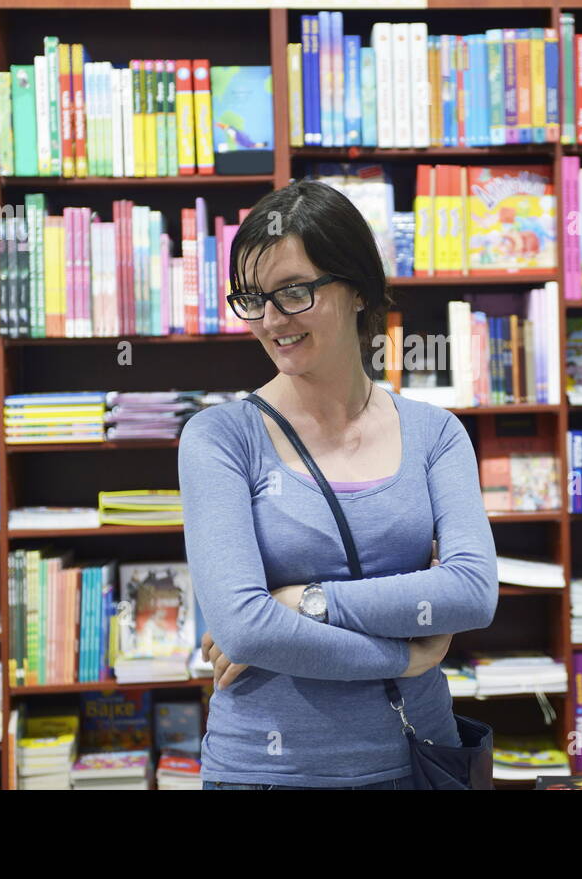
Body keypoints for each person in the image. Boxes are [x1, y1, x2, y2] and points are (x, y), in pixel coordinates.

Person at [177, 180, 499, 790]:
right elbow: (245, 628)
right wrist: (408, 655)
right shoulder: (219, 438)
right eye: (252, 297)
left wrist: (300, 602)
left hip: (420, 758)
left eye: (293, 292)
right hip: (270, 772)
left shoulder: (436, 434)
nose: (271, 320)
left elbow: (472, 591)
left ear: (357, 289)